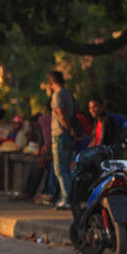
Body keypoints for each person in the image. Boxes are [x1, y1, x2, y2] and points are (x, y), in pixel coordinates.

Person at [47, 70, 75, 209]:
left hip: (60, 134)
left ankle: (66, 198)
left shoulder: (57, 95)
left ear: (51, 83)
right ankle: (69, 196)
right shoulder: (68, 94)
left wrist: (67, 127)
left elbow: (60, 113)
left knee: (60, 168)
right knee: (66, 167)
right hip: (67, 134)